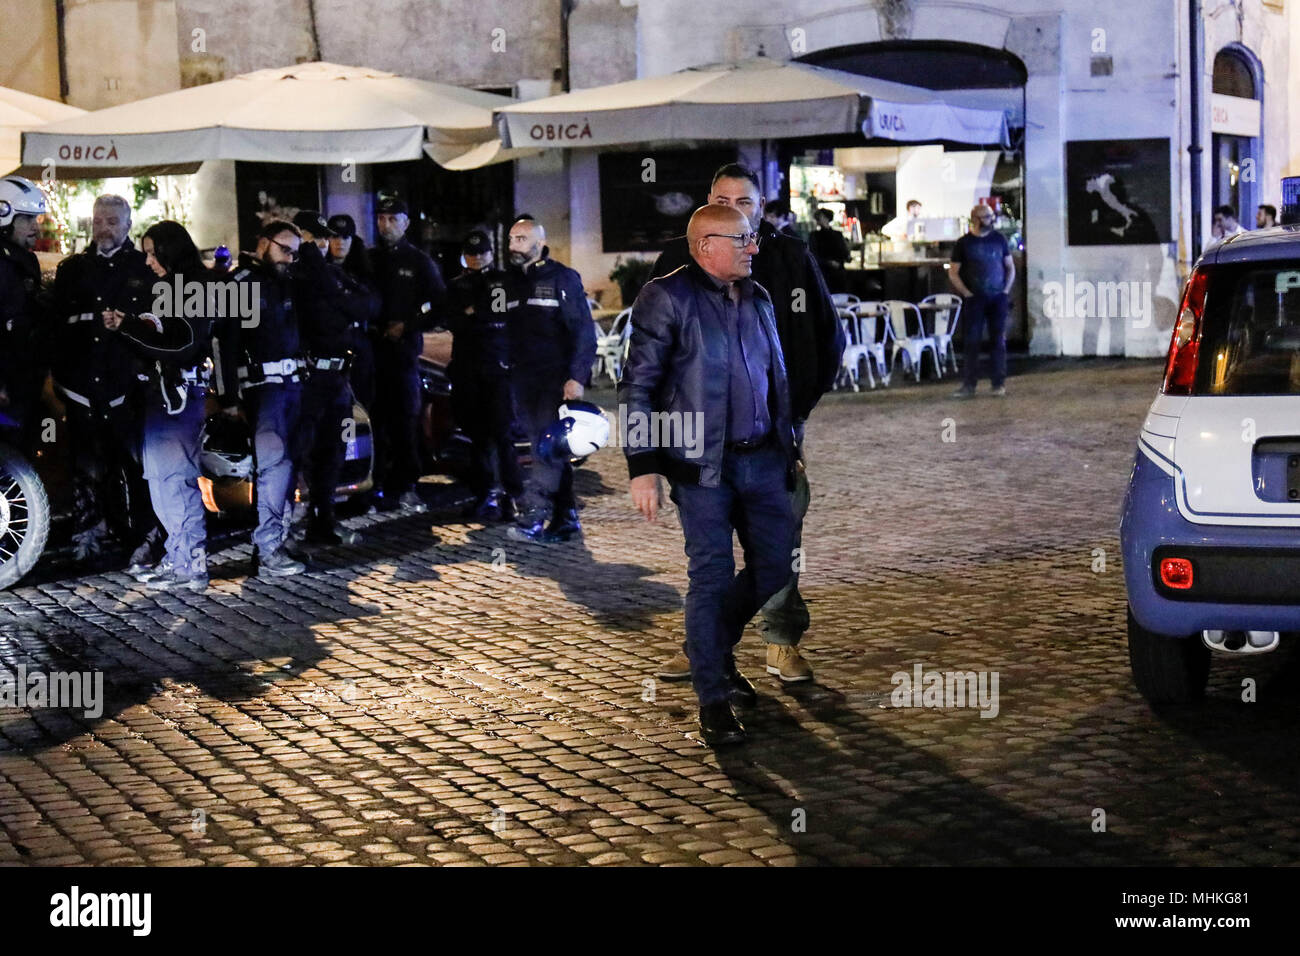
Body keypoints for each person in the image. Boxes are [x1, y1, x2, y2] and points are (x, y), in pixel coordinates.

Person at [650, 162, 845, 684]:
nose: (732, 211)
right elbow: (650, 361)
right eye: (721, 200)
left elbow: (826, 341)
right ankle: (708, 655)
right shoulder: (675, 264)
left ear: (761, 210)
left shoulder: (788, 260)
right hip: (700, 444)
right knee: (709, 562)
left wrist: (793, 412)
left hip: (773, 436)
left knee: (777, 547)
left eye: (744, 203)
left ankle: (780, 641)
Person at [622, 205, 798, 747]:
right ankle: (713, 699)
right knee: (712, 575)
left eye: (754, 238)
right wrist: (642, 467)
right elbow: (638, 387)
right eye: (742, 239)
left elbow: (775, 378)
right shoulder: (666, 296)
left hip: (764, 458)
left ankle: (712, 650)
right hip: (700, 465)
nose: (753, 246)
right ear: (705, 246)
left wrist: (788, 447)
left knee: (775, 566)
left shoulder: (760, 297)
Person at [105, 220, 239, 592]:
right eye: (145, 253)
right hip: (160, 396)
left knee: (174, 480)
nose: (148, 261)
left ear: (171, 250)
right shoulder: (174, 286)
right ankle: (178, 555)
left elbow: (184, 345)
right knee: (160, 481)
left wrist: (128, 328)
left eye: (153, 252)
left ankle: (190, 563)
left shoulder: (193, 286)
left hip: (177, 397)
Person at [48, 194, 156, 564]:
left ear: (128, 225)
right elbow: (57, 326)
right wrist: (62, 376)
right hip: (81, 385)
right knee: (85, 465)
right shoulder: (72, 269)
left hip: (126, 383)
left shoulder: (144, 267)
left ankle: (143, 533)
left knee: (135, 463)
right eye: (98, 221)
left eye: (112, 221)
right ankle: (87, 533)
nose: (104, 228)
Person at [503, 216, 597, 544]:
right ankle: (566, 517)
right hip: (523, 382)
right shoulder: (511, 283)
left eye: (521, 239)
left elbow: (584, 332)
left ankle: (533, 513)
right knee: (551, 449)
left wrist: (576, 377)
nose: (514, 245)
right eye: (512, 238)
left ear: (540, 244)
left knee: (545, 450)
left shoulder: (562, 278)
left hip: (554, 382)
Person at [229, 220, 308, 577]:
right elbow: (225, 343)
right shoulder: (242, 285)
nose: (289, 258)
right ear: (263, 244)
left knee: (288, 466)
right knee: (274, 467)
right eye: (284, 249)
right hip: (264, 390)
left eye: (294, 251)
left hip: (292, 385)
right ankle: (269, 547)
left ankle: (280, 538)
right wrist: (230, 395)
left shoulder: (287, 281)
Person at [289, 210, 366, 547]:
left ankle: (324, 520)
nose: (321, 243)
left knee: (331, 453)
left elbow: (367, 306)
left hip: (337, 377)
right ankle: (289, 525)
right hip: (307, 379)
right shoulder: (292, 276)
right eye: (313, 238)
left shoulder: (333, 274)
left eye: (323, 238)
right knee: (297, 455)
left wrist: (338, 302)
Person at [370, 197, 446, 514]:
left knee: (405, 423)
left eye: (392, 219)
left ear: (405, 223)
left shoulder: (418, 261)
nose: (386, 225)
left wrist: (410, 325)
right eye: (381, 219)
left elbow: (440, 303)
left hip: (402, 356)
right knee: (375, 423)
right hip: (372, 354)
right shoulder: (368, 259)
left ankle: (407, 486)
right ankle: (374, 487)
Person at [447, 229, 523, 521]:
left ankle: (510, 496)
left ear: (492, 253)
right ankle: (483, 495)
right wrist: (476, 314)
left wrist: (472, 312)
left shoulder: (504, 281)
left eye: (482, 253)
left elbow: (499, 314)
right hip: (468, 369)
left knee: (503, 435)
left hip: (498, 368)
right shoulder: (456, 285)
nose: (477, 258)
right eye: (471, 253)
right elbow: (453, 320)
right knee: (477, 436)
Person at [948, 203, 1015, 398]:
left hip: (997, 298)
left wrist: (1005, 291)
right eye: (987, 216)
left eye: (991, 216)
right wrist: (966, 293)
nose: (991, 220)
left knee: (998, 341)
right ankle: (969, 385)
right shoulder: (964, 243)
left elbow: (1010, 267)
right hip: (975, 299)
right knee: (972, 342)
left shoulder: (999, 240)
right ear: (976, 219)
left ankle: (998, 383)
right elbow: (953, 272)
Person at [0, 176, 49, 443]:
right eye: (27, 219)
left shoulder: (25, 260)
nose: (35, 227)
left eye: (35, 219)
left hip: (25, 378)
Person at [326, 213, 381, 416]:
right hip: (328, 347)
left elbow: (371, 307)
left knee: (360, 407)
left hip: (358, 345)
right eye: (335, 237)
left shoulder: (363, 271)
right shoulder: (318, 270)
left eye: (345, 238)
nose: (340, 243)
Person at [808, 207, 851, 292]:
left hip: (837, 274)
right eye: (820, 218)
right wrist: (829, 262)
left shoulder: (837, 234)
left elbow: (845, 253)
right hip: (824, 273)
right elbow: (814, 255)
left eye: (823, 218)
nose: (821, 220)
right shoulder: (815, 236)